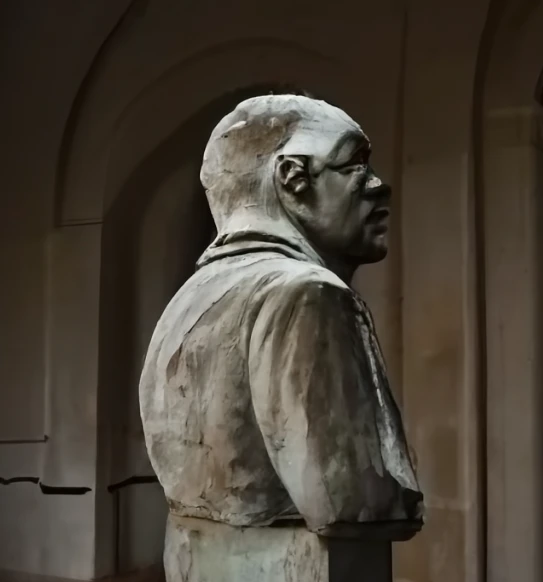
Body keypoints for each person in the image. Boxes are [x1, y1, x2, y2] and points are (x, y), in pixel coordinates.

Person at [140, 93, 423, 536]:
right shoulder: (310, 296)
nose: (377, 184)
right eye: (355, 165)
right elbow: (353, 501)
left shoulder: (186, 302)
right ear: (292, 178)